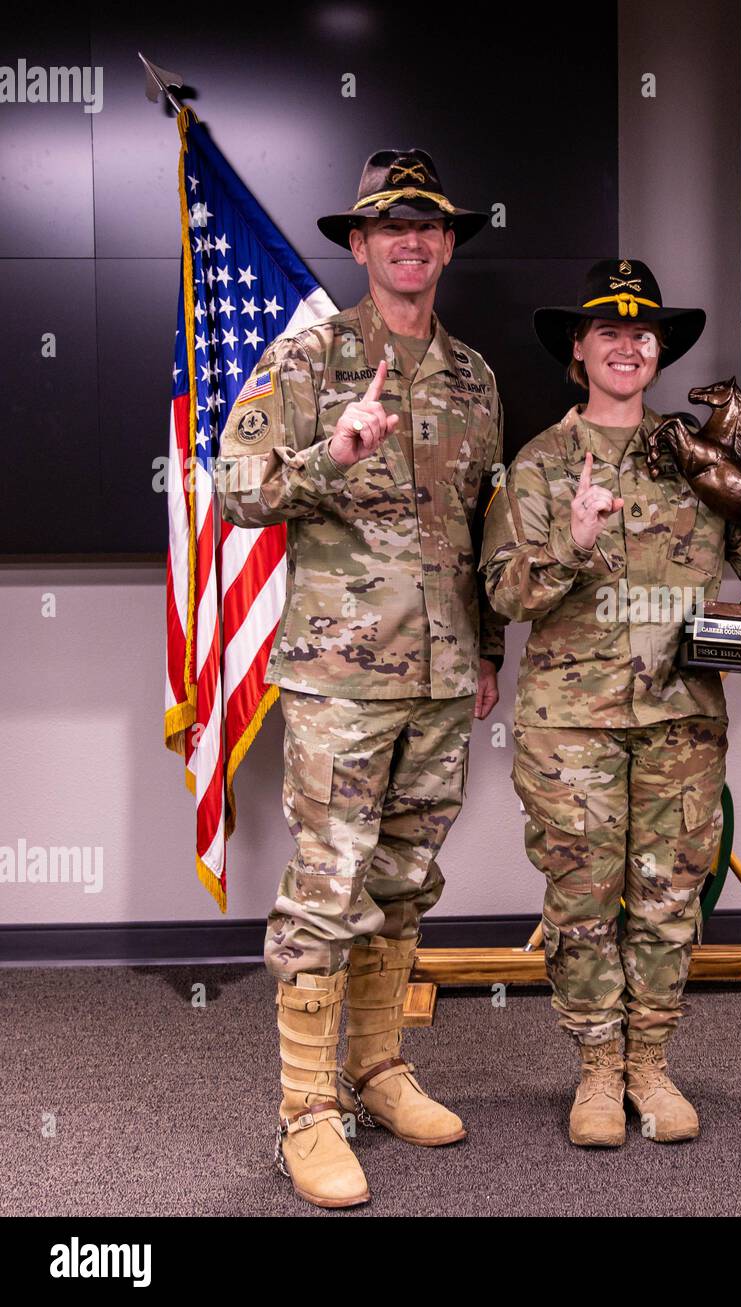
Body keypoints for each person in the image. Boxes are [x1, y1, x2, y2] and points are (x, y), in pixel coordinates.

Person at [481, 259, 741, 1147]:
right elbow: (505, 592)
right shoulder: (541, 463)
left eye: (644, 333)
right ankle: (598, 1067)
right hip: (573, 728)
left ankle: (652, 1063)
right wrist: (573, 539)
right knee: (582, 900)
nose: (628, 345)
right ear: (579, 350)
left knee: (672, 896)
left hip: (680, 719)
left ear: (659, 350)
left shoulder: (695, 458)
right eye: (610, 331)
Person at [215, 149, 505, 1208]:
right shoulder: (310, 361)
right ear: (359, 242)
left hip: (438, 675)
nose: (412, 241)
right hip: (340, 674)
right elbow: (235, 489)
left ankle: (379, 1068)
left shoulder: (474, 376)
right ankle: (306, 1108)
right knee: (325, 892)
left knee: (401, 881)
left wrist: (485, 650)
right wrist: (328, 454)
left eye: (429, 226)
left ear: (447, 243)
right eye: (391, 226)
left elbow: (482, 527)